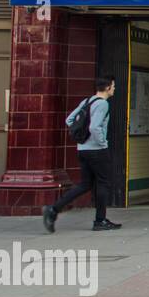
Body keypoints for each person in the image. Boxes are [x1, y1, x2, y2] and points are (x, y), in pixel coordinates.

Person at [43, 76, 121, 232]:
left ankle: (53, 209)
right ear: (107, 88)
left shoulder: (87, 101)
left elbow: (69, 120)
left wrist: (82, 138)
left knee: (85, 184)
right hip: (97, 151)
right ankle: (100, 220)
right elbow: (94, 127)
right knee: (103, 183)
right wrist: (101, 143)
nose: (114, 89)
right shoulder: (103, 104)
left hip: (83, 149)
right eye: (113, 86)